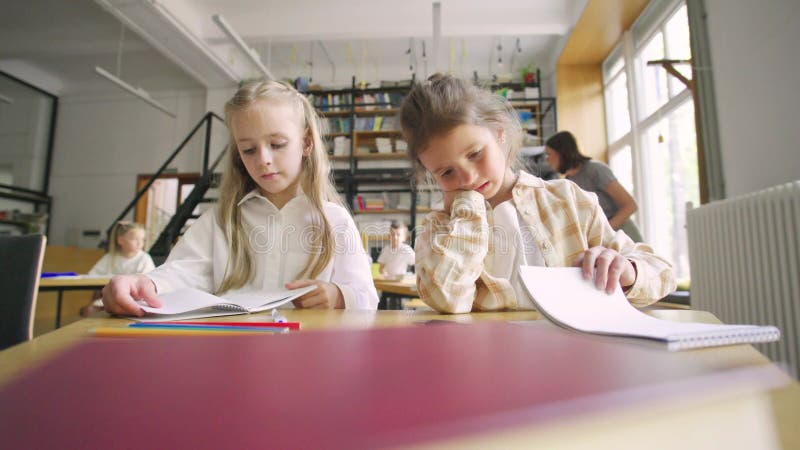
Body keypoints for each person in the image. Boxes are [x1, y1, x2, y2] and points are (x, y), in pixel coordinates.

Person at [399, 74, 675, 314]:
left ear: (498, 132)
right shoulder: (440, 227)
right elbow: (447, 300)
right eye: (446, 172)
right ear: (429, 173)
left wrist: (627, 269)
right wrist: (468, 210)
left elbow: (662, 274)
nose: (468, 178)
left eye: (475, 154)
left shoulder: (567, 199)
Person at [101, 79, 379, 316]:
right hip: (232, 353)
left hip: (310, 356)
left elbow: (367, 297)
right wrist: (143, 283)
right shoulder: (220, 221)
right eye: (248, 150)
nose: (264, 160)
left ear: (307, 143)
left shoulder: (334, 220)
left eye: (277, 144)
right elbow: (182, 272)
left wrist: (337, 296)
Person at [544, 131, 643, 242]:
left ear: (560, 153)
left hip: (625, 238)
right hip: (604, 242)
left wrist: (604, 231)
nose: (547, 160)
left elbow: (630, 205)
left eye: (549, 154)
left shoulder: (595, 170)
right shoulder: (568, 182)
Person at [80, 221, 156, 316]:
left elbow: (148, 281)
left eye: (142, 240)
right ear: (120, 240)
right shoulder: (110, 257)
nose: (140, 243)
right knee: (90, 310)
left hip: (136, 300)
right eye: (135, 239)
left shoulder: (144, 258)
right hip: (109, 299)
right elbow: (92, 275)